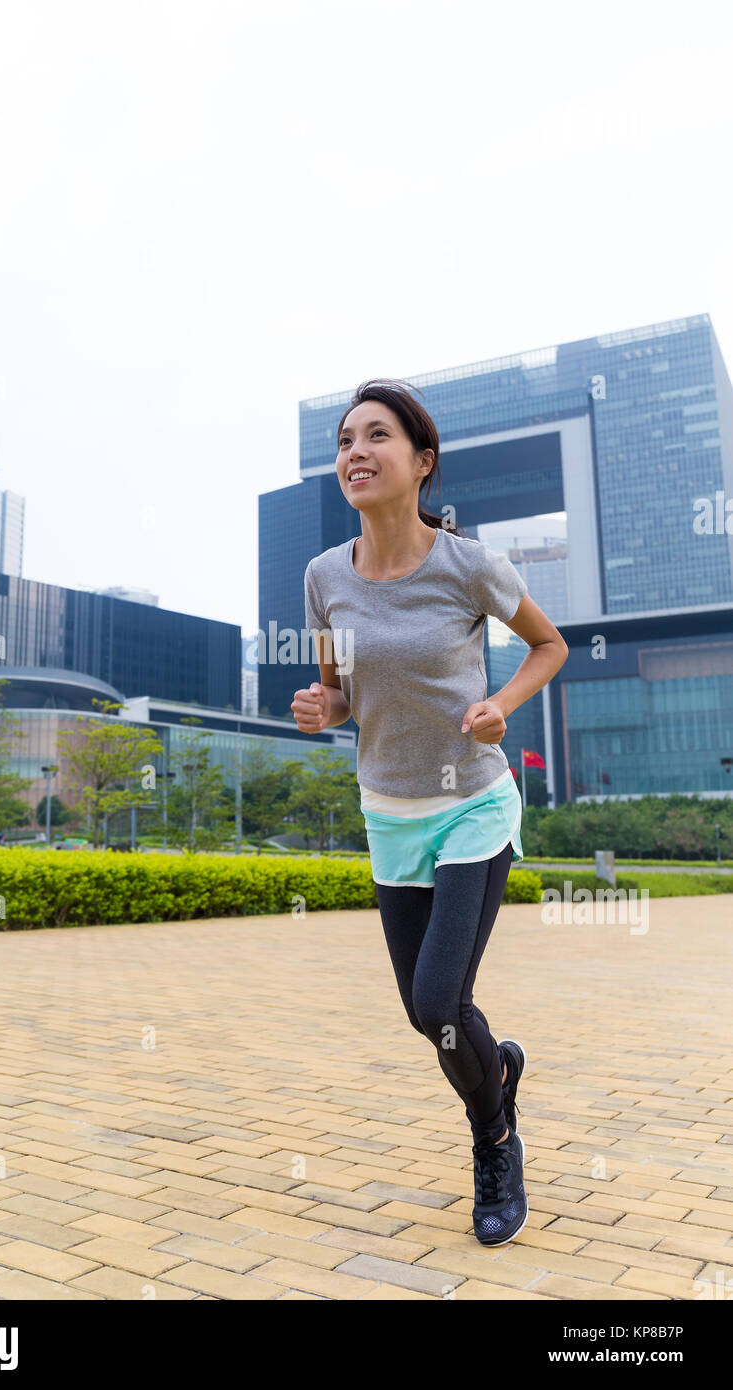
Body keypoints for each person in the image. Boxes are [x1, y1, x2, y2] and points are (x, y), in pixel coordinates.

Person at [292, 379, 568, 1247]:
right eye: (345, 440)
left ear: (422, 462)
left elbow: (548, 644)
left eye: (377, 436)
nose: (355, 453)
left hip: (471, 806)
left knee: (442, 996)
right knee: (429, 1016)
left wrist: (502, 704)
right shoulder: (323, 577)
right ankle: (500, 1073)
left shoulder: (467, 563)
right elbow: (339, 694)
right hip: (390, 813)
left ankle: (493, 1142)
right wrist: (321, 708)